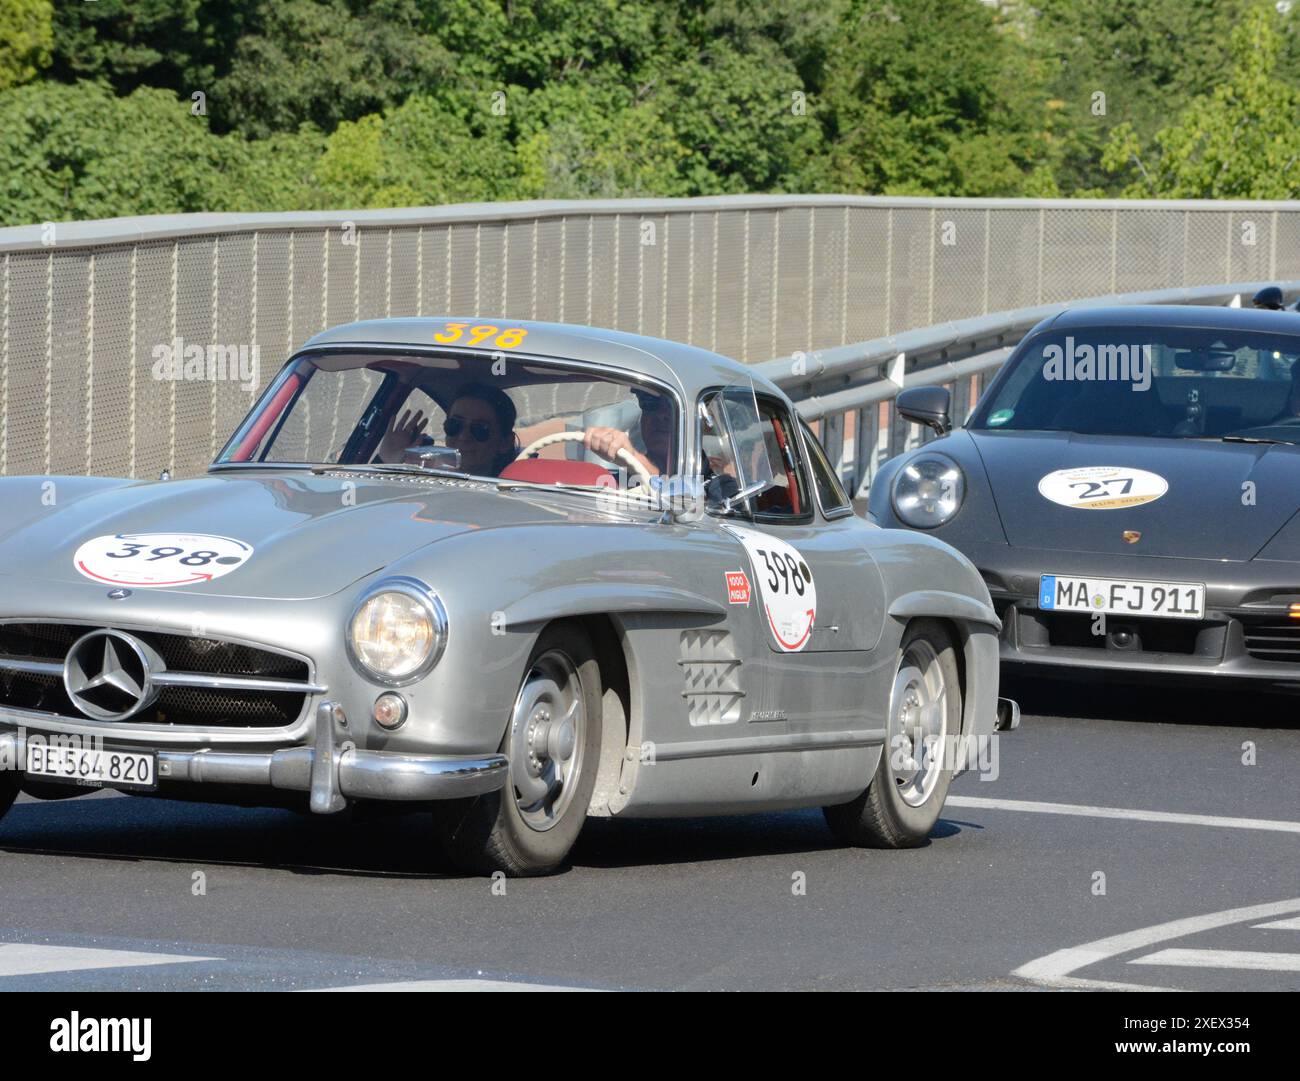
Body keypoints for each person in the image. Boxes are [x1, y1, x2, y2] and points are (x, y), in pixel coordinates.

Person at [375, 382, 519, 477]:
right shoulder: (420, 479)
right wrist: (388, 460)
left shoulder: (514, 493)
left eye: (480, 429)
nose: (463, 436)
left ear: (504, 443)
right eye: (455, 425)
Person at [581, 387, 672, 478]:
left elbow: (671, 488)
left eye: (671, 407)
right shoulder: (613, 484)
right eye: (649, 403)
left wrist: (632, 457)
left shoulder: (684, 484)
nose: (661, 415)